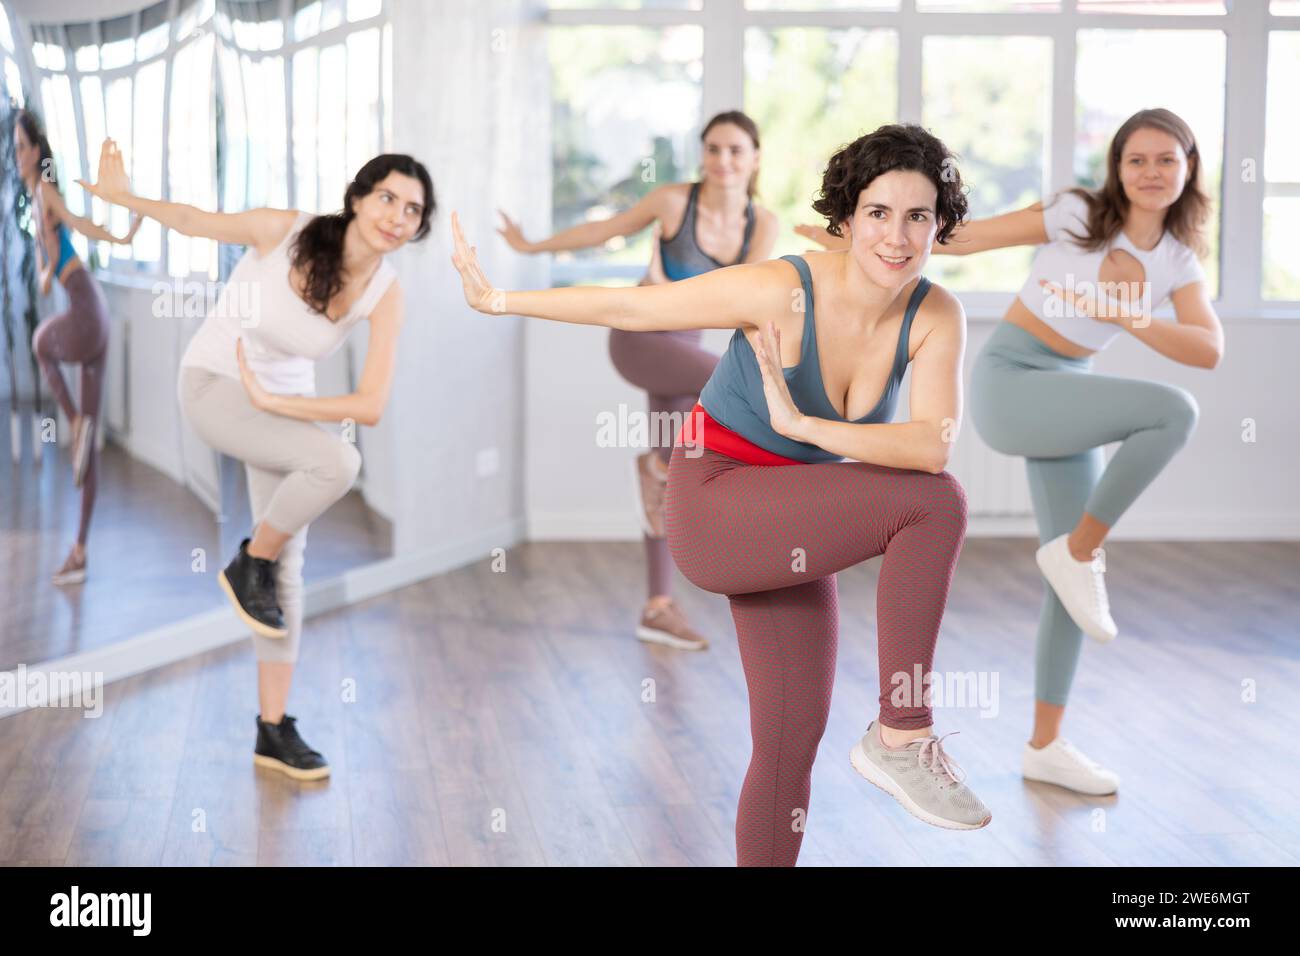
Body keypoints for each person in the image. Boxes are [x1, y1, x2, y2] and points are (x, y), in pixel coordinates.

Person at [454, 124, 991, 867]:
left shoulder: (935, 316)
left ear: (941, 225)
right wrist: (500, 297)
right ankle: (903, 734)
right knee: (936, 505)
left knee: (788, 742)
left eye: (918, 217)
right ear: (847, 217)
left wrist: (800, 422)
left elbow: (930, 443)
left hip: (789, 513)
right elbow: (637, 311)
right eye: (879, 213)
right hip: (718, 503)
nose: (897, 236)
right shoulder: (782, 287)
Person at [801, 108, 1223, 796]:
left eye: (1166, 160)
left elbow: (1208, 349)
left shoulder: (1176, 259)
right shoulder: (1077, 213)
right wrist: (855, 232)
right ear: (1116, 167)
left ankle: (1046, 743)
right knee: (1170, 413)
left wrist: (1127, 317)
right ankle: (1081, 549)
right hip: (1014, 381)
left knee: (1070, 590)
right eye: (1136, 159)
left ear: (1189, 169)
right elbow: (961, 240)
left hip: (1069, 392)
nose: (1151, 173)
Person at [79, 139, 435, 780]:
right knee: (338, 466)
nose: (397, 215)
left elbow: (372, 403)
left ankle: (271, 728)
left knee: (288, 575)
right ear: (357, 198)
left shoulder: (386, 293)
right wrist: (121, 199)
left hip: (284, 404)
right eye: (387, 197)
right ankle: (252, 559)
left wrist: (278, 400)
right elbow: (192, 220)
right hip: (215, 384)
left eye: (413, 210)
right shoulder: (283, 229)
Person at [498, 111, 779, 650]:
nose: (723, 160)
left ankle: (657, 607)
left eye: (735, 150)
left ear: (755, 158)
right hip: (640, 340)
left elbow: (749, 297)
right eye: (713, 148)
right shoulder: (674, 202)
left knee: (668, 480)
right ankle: (659, 470)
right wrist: (530, 247)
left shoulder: (761, 224)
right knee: (735, 397)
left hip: (688, 346)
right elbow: (606, 230)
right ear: (702, 154)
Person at [14, 110, 140, 585]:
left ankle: (74, 423)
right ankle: (80, 550)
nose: (19, 153)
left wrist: (121, 236)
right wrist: (45, 273)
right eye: (16, 146)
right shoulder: (33, 198)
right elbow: (53, 264)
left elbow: (78, 225)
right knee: (87, 457)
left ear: (37, 151)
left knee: (41, 341)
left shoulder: (45, 191)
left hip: (88, 310)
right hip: (94, 318)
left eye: (25, 146)